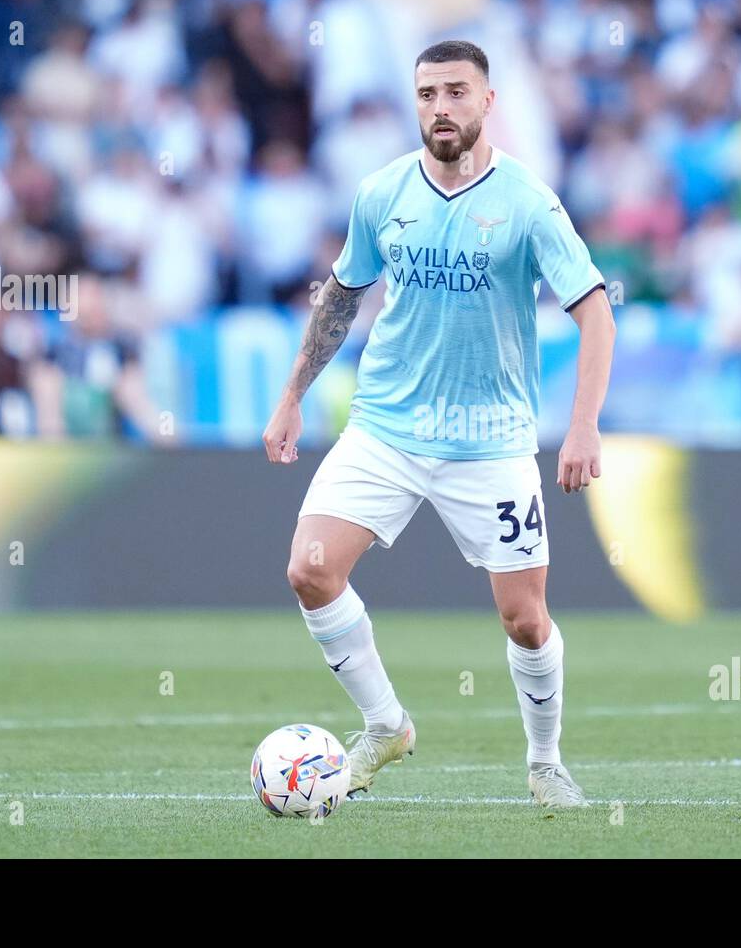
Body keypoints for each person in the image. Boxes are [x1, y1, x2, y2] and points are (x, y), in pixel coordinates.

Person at [261, 40, 616, 808]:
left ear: (488, 102)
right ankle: (385, 724)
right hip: (386, 425)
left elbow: (595, 311)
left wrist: (583, 426)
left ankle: (546, 760)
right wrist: (293, 394)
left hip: (490, 438)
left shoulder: (527, 201)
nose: (440, 107)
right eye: (426, 94)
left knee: (525, 620)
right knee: (310, 568)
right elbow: (341, 299)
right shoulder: (382, 192)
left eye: (456, 92)